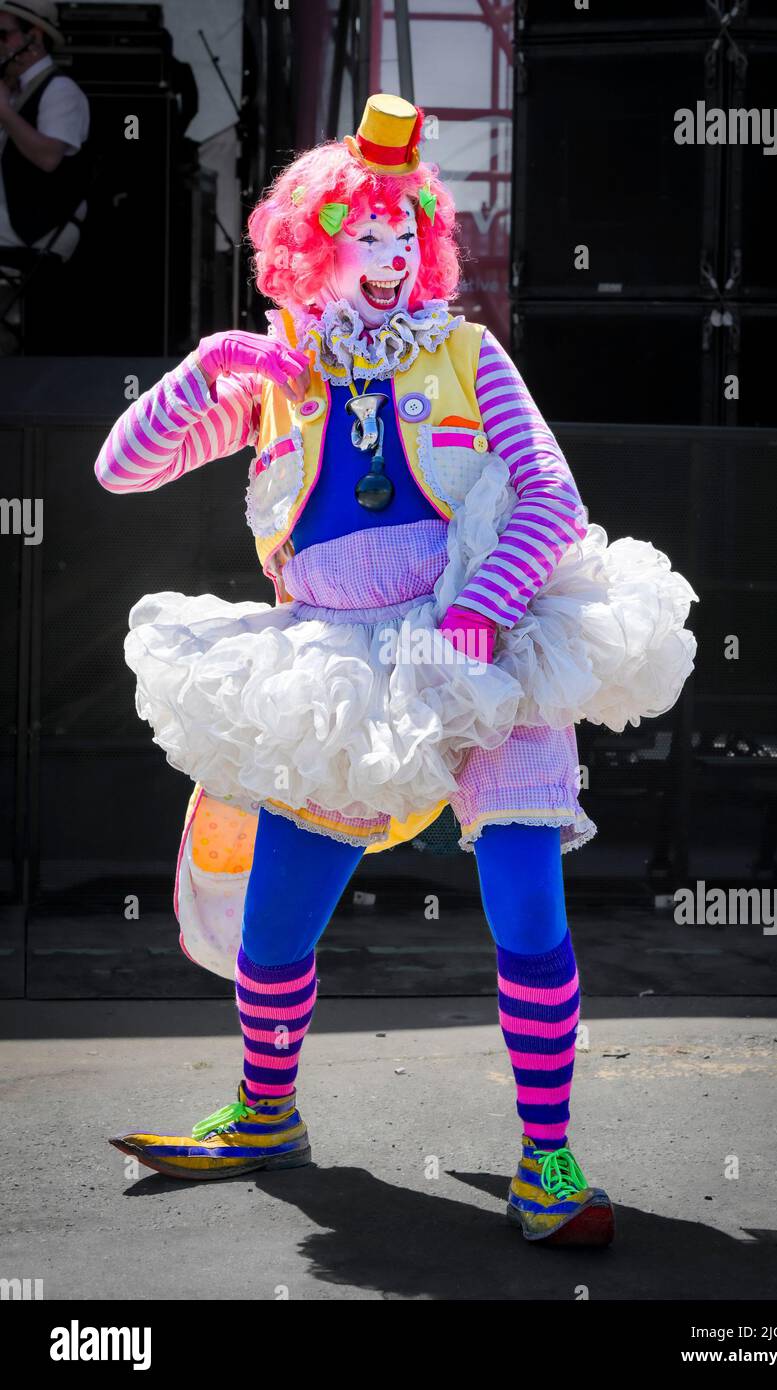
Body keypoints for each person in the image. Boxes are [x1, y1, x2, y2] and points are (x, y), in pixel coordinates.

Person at [94, 93, 698, 1247]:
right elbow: (123, 470)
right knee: (273, 933)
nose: (384, 262)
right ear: (313, 253)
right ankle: (265, 1115)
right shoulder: (274, 376)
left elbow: (550, 500)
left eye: (401, 239)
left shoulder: (467, 353)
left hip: (487, 642)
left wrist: (477, 609)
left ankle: (546, 1164)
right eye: (360, 240)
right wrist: (210, 360)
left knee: (524, 901)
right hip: (340, 673)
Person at [0, 0, 89, 262]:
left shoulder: (60, 90)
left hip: (38, 226)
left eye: (2, 34)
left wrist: (5, 113)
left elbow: (49, 158)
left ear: (34, 38)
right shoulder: (15, 91)